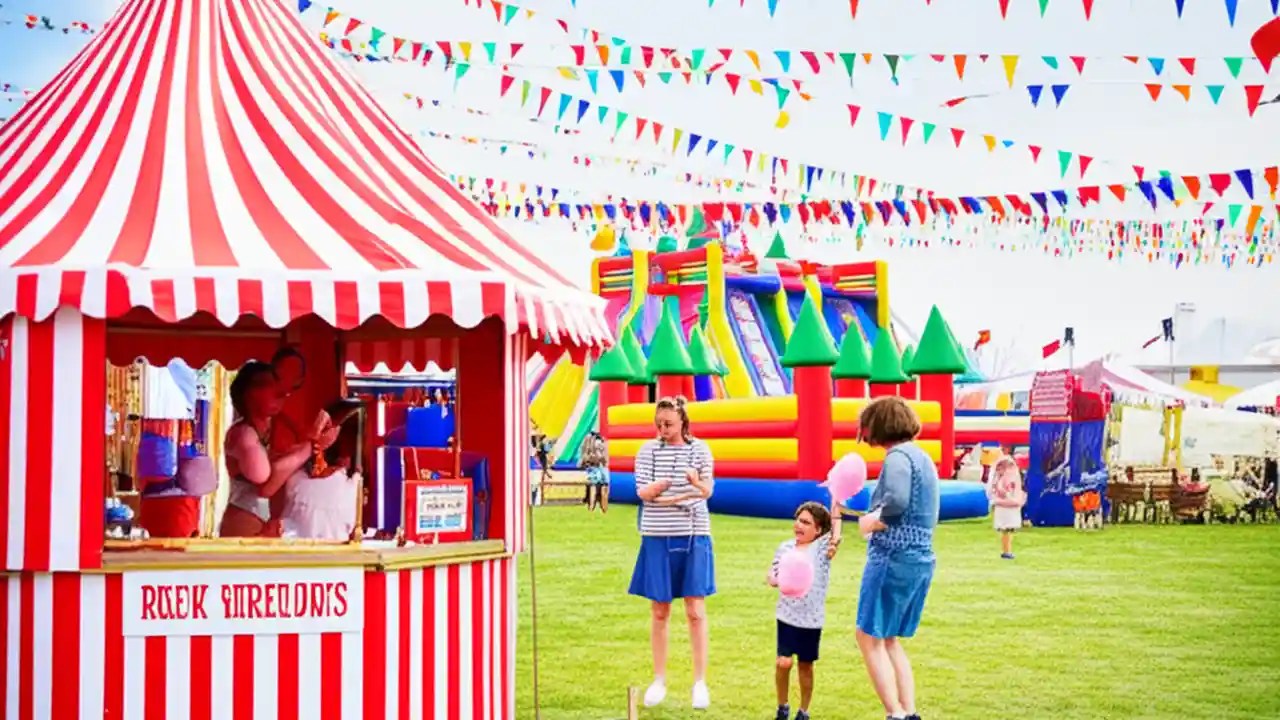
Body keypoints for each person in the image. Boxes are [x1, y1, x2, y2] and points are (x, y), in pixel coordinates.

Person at [628, 396, 715, 710]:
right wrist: (666, 488)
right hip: (656, 535)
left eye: (669, 424)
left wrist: (693, 484)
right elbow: (643, 492)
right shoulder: (647, 451)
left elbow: (707, 491)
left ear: (683, 422)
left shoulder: (700, 449)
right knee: (660, 610)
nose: (662, 429)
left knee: (695, 610)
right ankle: (659, 679)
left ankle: (699, 682)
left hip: (694, 535)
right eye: (659, 424)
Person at [854, 397, 939, 720]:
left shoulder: (898, 458)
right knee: (889, 638)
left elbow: (898, 501)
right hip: (921, 557)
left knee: (868, 635)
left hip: (893, 555)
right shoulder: (923, 458)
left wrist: (873, 520)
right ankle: (909, 711)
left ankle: (895, 713)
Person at [219, 362, 338, 538]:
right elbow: (264, 482)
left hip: (274, 522)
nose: (280, 393)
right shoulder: (242, 434)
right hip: (246, 518)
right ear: (250, 394)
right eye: (269, 386)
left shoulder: (278, 427)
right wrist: (311, 446)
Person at [767, 501, 841, 720]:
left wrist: (836, 502)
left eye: (806, 522)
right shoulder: (785, 547)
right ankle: (782, 707)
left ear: (818, 530)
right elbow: (773, 571)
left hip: (811, 620)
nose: (799, 525)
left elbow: (836, 530)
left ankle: (804, 711)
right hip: (787, 616)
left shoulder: (821, 550)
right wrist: (773, 578)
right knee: (784, 662)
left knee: (805, 666)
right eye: (798, 520)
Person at [988, 454, 1026, 558]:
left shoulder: (1010, 477)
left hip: (1009, 505)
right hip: (1005, 507)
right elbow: (1001, 490)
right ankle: (1006, 551)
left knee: (1008, 530)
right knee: (1006, 530)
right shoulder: (1003, 478)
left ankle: (1007, 550)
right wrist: (1008, 495)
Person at [580, 432, 611, 513]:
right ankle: (600, 508)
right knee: (600, 488)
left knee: (597, 488)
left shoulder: (590, 445)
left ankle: (595, 507)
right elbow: (603, 459)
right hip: (598, 468)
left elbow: (603, 459)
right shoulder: (598, 444)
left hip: (597, 468)